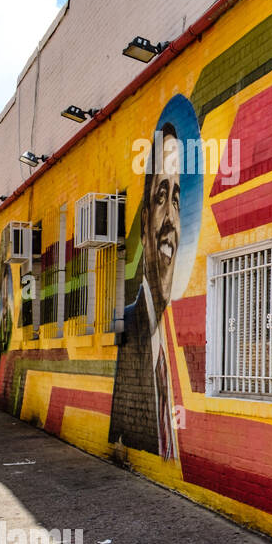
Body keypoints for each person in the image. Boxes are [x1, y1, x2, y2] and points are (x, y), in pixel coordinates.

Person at [109, 125, 182, 458]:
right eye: (161, 197)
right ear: (145, 219)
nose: (170, 219)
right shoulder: (128, 326)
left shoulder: (166, 343)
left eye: (176, 200)